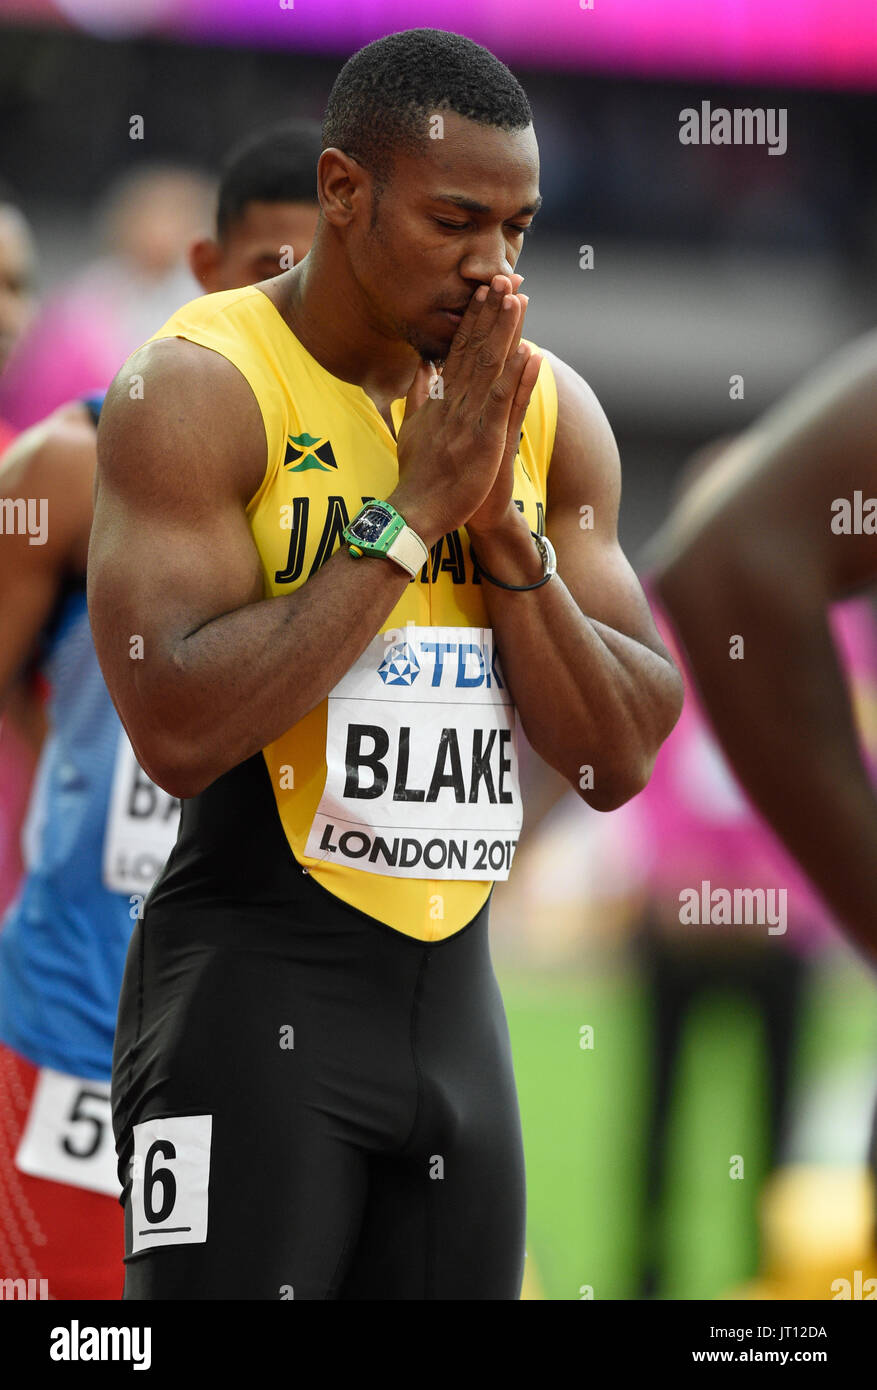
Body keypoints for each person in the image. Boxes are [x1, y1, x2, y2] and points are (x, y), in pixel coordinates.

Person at [89, 29, 683, 1301]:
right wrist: (410, 512)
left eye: (518, 229)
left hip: (459, 1020)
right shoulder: (200, 387)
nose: (492, 268)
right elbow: (178, 727)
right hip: (249, 1005)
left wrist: (499, 527)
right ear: (344, 193)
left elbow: (621, 750)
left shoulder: (547, 414)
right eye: (456, 220)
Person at [0, 118, 323, 1299]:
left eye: (321, 276)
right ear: (202, 270)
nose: (294, 307)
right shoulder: (71, 466)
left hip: (299, 1035)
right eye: (265, 270)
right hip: (81, 1018)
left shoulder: (406, 484)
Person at [651, 329, 877, 1252]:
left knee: (775, 1133)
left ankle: (758, 1282)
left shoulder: (844, 636)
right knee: (659, 1120)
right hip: (685, 910)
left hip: (782, 909)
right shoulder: (664, 637)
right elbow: (649, 775)